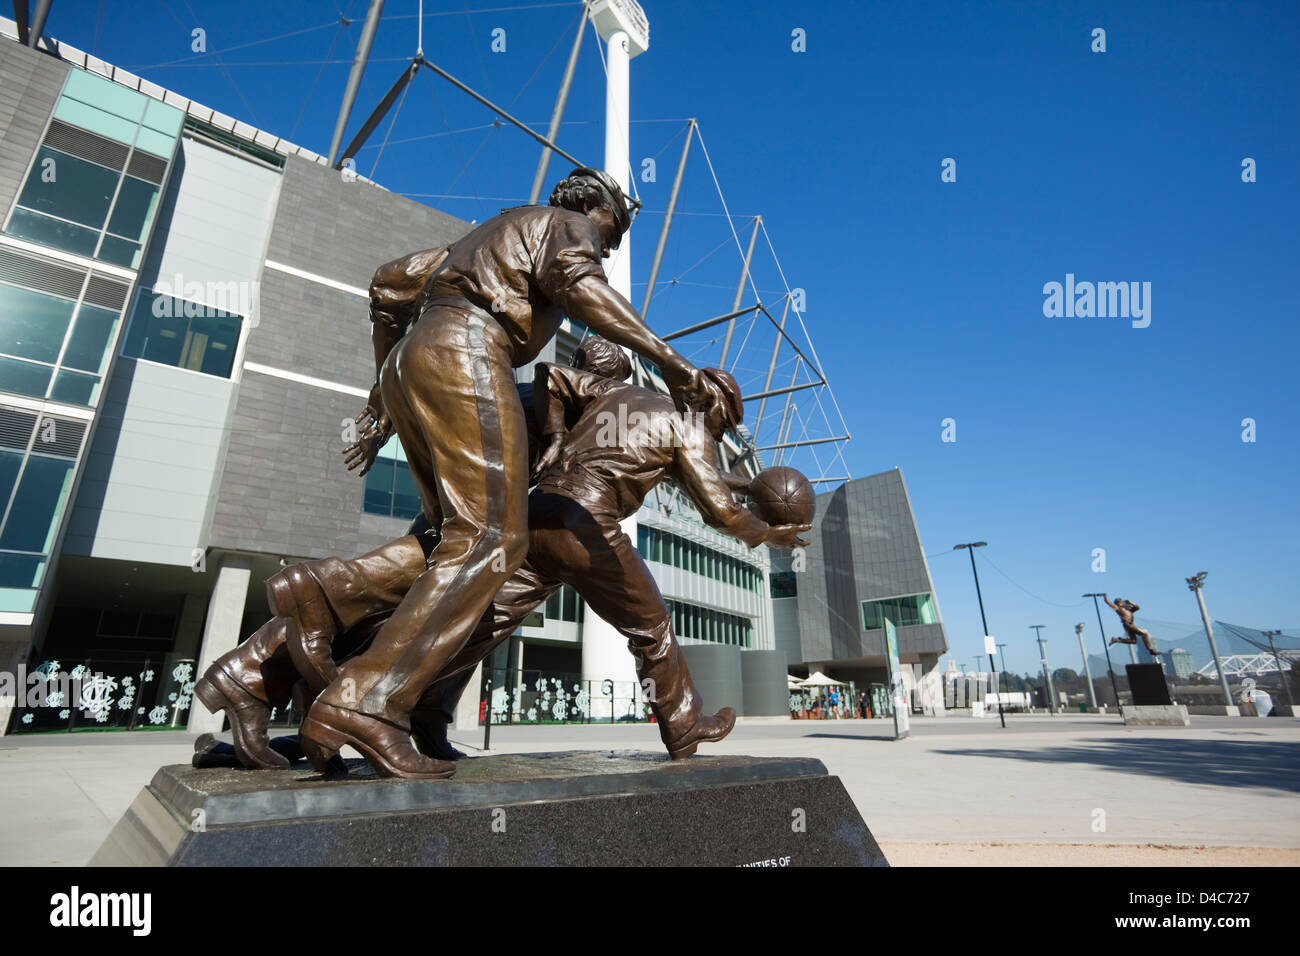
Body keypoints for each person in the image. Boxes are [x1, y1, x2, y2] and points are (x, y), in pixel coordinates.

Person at [296, 168, 731, 779]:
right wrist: (673, 363)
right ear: (596, 207)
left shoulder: (484, 238)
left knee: (446, 546)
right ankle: (364, 702)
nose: (606, 248)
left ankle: (319, 612)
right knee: (491, 538)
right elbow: (580, 285)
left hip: (414, 361)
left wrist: (381, 396)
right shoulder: (566, 225)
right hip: (469, 350)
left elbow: (387, 287)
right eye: (613, 234)